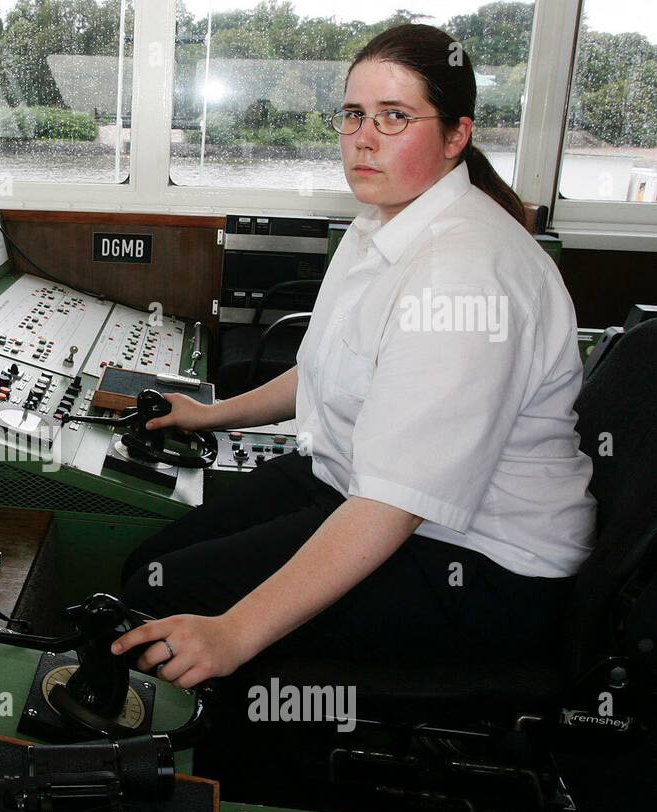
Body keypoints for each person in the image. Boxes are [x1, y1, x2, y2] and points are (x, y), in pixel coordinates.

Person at [110, 24, 595, 763]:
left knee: (181, 604)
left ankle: (238, 790)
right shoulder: (381, 226)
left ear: (457, 134)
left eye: (395, 117)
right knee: (148, 567)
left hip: (480, 564)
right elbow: (327, 373)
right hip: (351, 484)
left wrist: (233, 632)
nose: (364, 139)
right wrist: (210, 413)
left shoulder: (464, 271)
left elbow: (394, 506)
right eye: (353, 115)